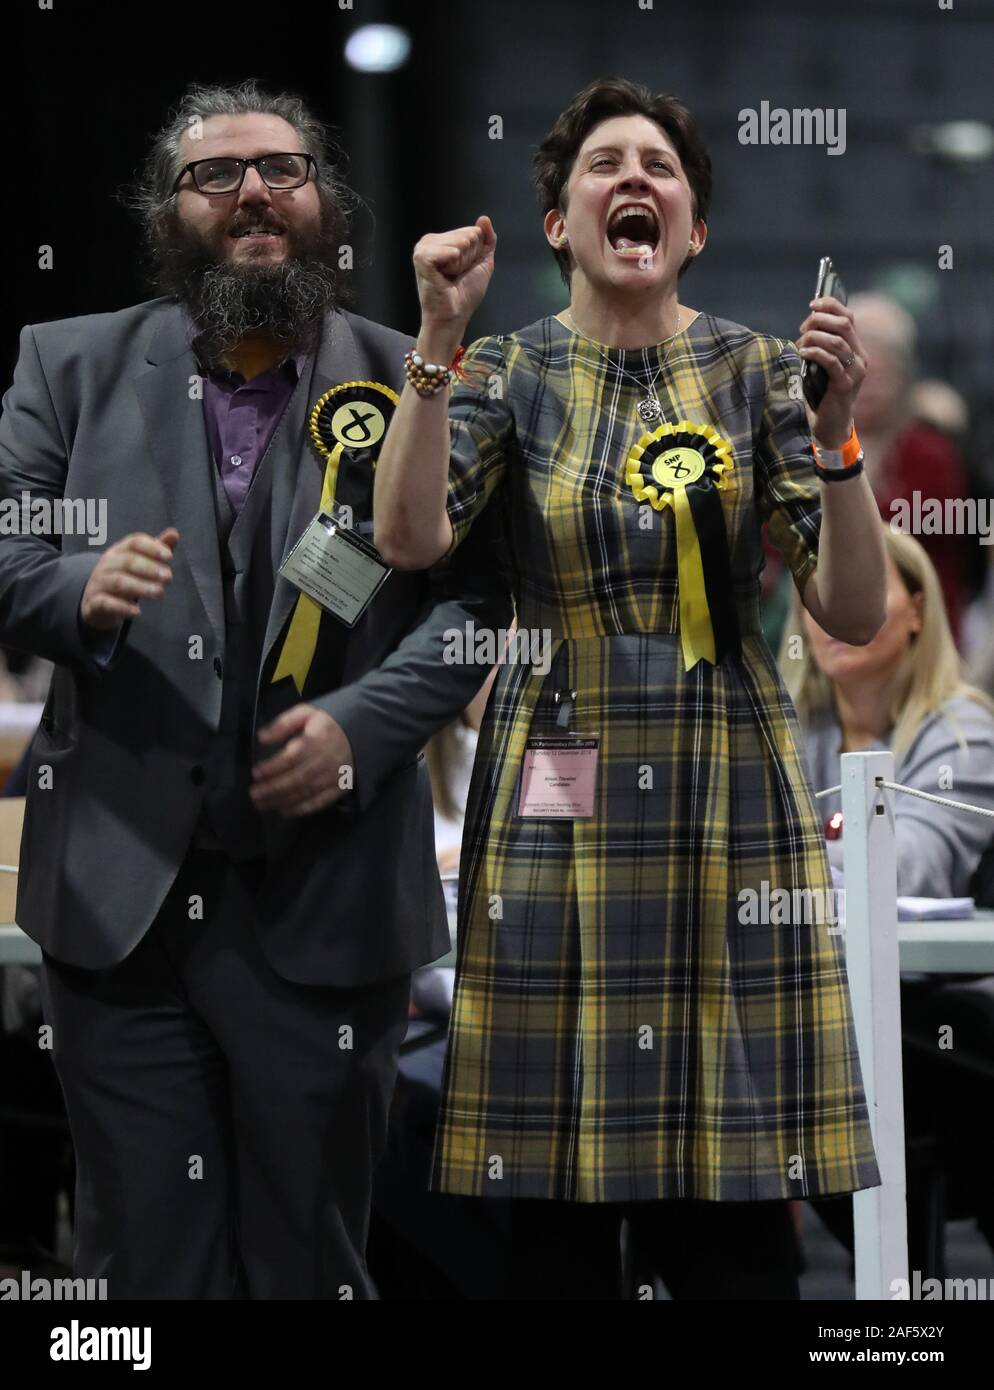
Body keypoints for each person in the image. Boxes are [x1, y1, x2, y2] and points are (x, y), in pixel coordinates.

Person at [374, 77, 886, 1300]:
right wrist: (434, 347)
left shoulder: (761, 372)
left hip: (731, 793)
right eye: (604, 164)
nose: (634, 180)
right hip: (561, 793)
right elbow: (405, 538)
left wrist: (840, 432)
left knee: (734, 1209)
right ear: (558, 222)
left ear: (693, 229)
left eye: (659, 166)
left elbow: (853, 610)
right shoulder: (504, 370)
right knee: (554, 1209)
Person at [0, 80, 510, 1299]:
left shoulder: (420, 377)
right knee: (141, 1270)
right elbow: (9, 554)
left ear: (325, 203)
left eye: (282, 169)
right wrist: (78, 587)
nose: (252, 195)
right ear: (164, 212)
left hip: (329, 902)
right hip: (116, 902)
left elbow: (479, 604)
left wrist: (355, 727)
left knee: (310, 1260)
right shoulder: (64, 363)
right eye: (215, 175)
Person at [780, 523, 994, 1270]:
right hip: (822, 1009)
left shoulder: (961, 730)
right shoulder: (784, 727)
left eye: (869, 590)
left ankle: (896, 1285)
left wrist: (783, 860)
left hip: (940, 1018)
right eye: (822, 595)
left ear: (915, 614)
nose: (837, 612)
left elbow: (904, 870)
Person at [847, 293, 971, 644]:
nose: (866, 390)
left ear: (902, 380)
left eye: (879, 378)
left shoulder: (929, 452)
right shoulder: (809, 446)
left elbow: (894, 539)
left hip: (921, 636)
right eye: (857, 377)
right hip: (837, 642)